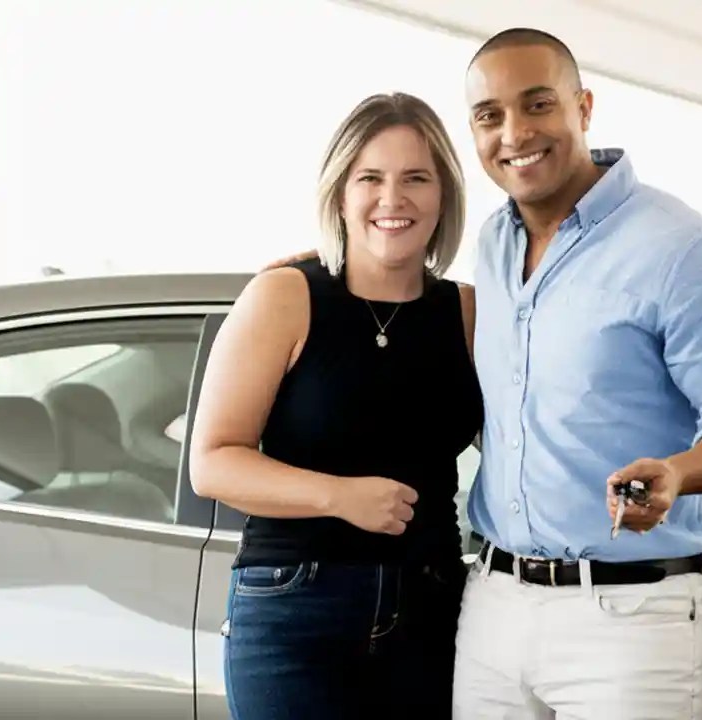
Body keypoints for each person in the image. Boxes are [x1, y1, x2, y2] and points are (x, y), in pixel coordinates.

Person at [452, 28, 702, 720]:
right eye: (490, 115)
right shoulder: (493, 243)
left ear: (583, 106)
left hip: (632, 618)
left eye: (538, 105)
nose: (514, 132)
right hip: (493, 605)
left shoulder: (684, 248)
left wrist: (678, 472)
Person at [189, 92, 483, 719]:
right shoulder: (285, 297)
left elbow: (529, 441)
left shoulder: (467, 314)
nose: (392, 199)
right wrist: (340, 497)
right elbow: (213, 463)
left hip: (433, 612)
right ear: (341, 192)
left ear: (444, 195)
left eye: (416, 179)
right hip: (295, 609)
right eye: (370, 178)